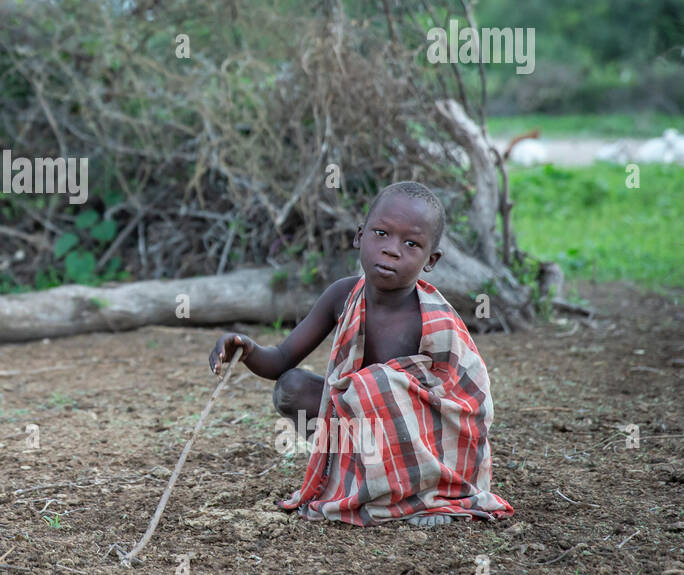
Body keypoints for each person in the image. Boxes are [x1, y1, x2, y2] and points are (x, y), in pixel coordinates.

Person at [208, 181, 514, 526]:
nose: (392, 250)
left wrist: (377, 389)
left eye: (411, 243)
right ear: (359, 236)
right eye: (381, 234)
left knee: (379, 385)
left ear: (431, 260)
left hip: (420, 448)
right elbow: (280, 360)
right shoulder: (342, 296)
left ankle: (417, 497)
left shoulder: (434, 321)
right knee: (291, 387)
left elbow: (463, 408)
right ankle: (351, 478)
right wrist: (246, 349)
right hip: (363, 439)